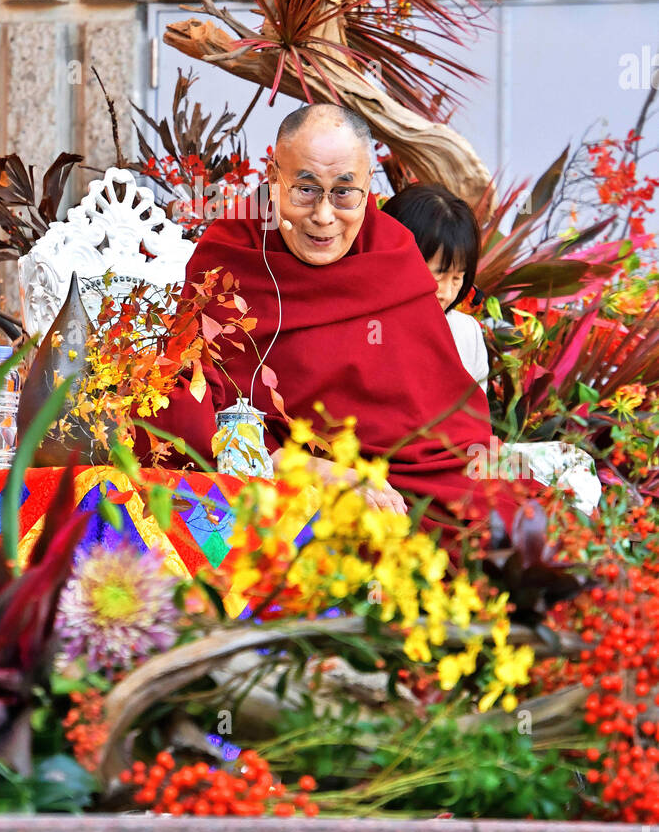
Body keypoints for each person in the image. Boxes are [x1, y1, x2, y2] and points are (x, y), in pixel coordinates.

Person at [153, 103, 500, 524]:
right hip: (283, 489)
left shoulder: (392, 253)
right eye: (305, 189)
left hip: (404, 483)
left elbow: (444, 420)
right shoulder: (230, 255)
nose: (323, 216)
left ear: (368, 185)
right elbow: (185, 409)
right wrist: (309, 469)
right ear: (273, 178)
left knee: (500, 530)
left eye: (343, 191)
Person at [382, 182, 489, 387]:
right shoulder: (361, 330)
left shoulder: (467, 335)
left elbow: (476, 416)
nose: (447, 294)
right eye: (438, 277)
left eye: (458, 278)